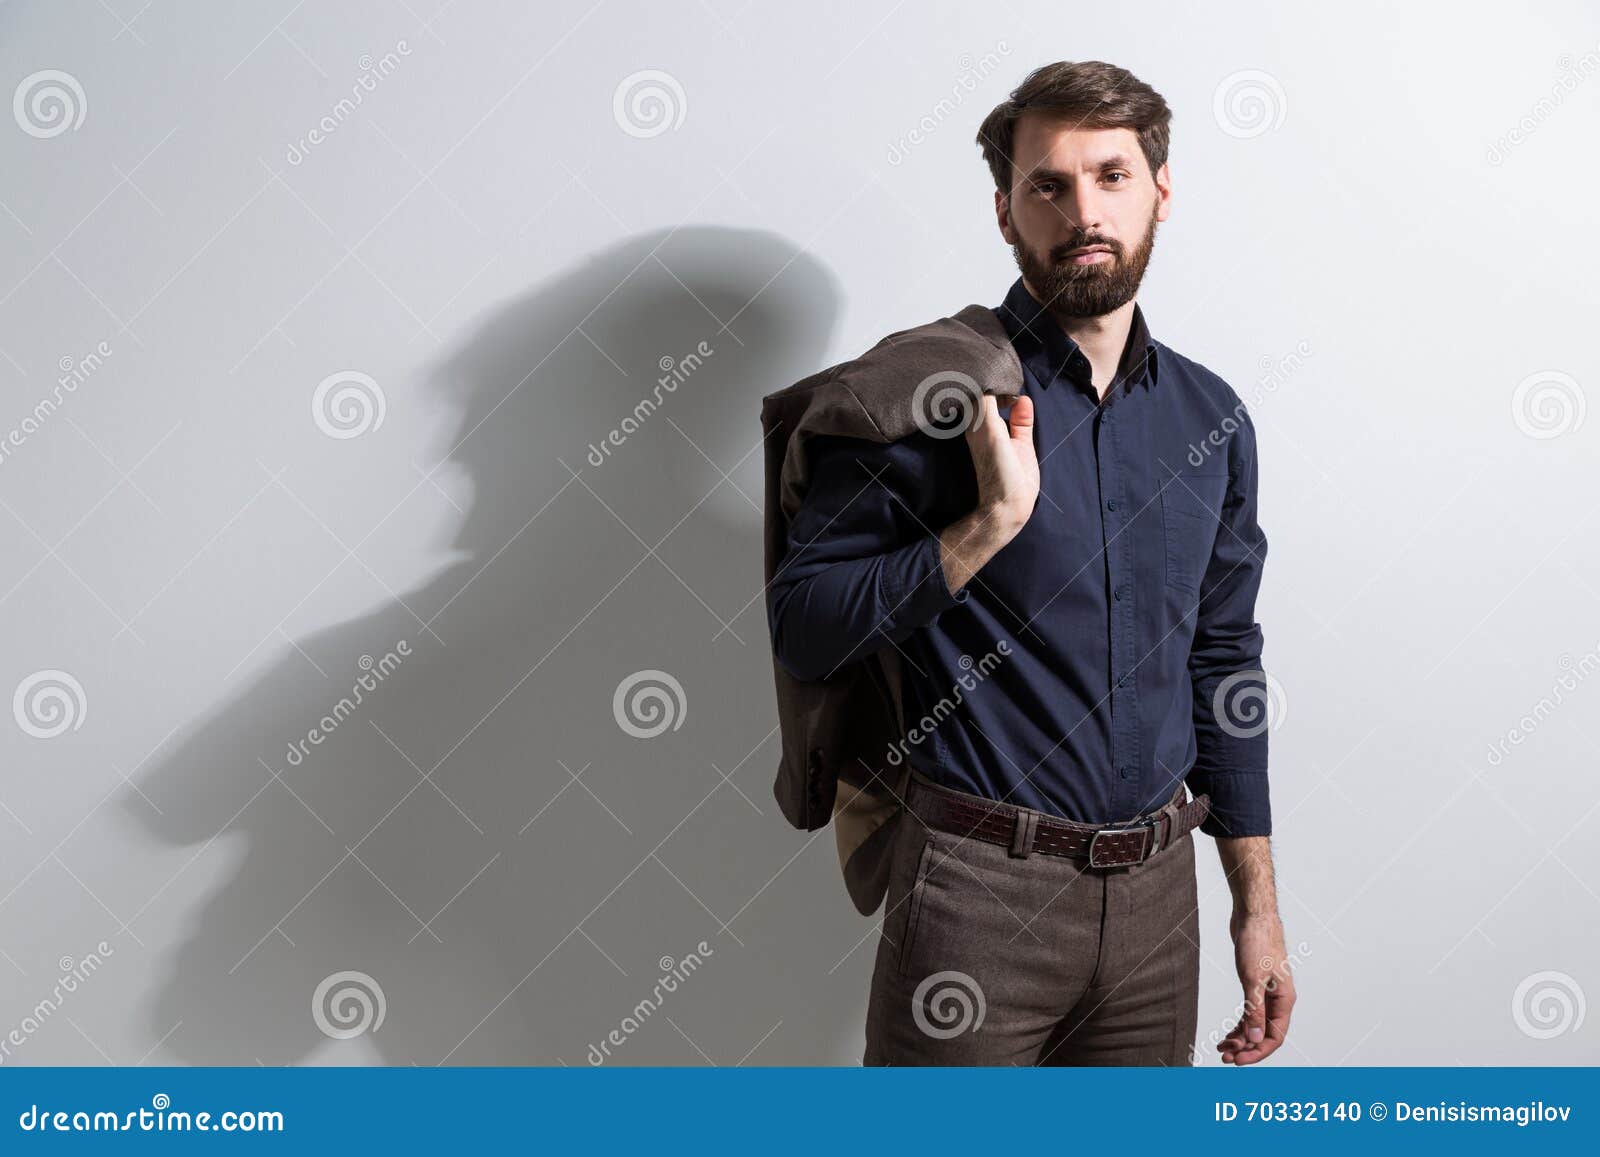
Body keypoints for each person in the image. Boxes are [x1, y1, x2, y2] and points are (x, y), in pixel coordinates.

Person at [765, 60, 1295, 1065]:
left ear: (1161, 192)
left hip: (1158, 903)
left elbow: (1225, 662)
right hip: (977, 889)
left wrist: (1255, 906)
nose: (1081, 210)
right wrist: (985, 525)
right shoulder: (927, 395)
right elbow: (805, 621)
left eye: (1110, 175)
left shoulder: (1210, 419)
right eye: (1047, 185)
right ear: (1005, 212)